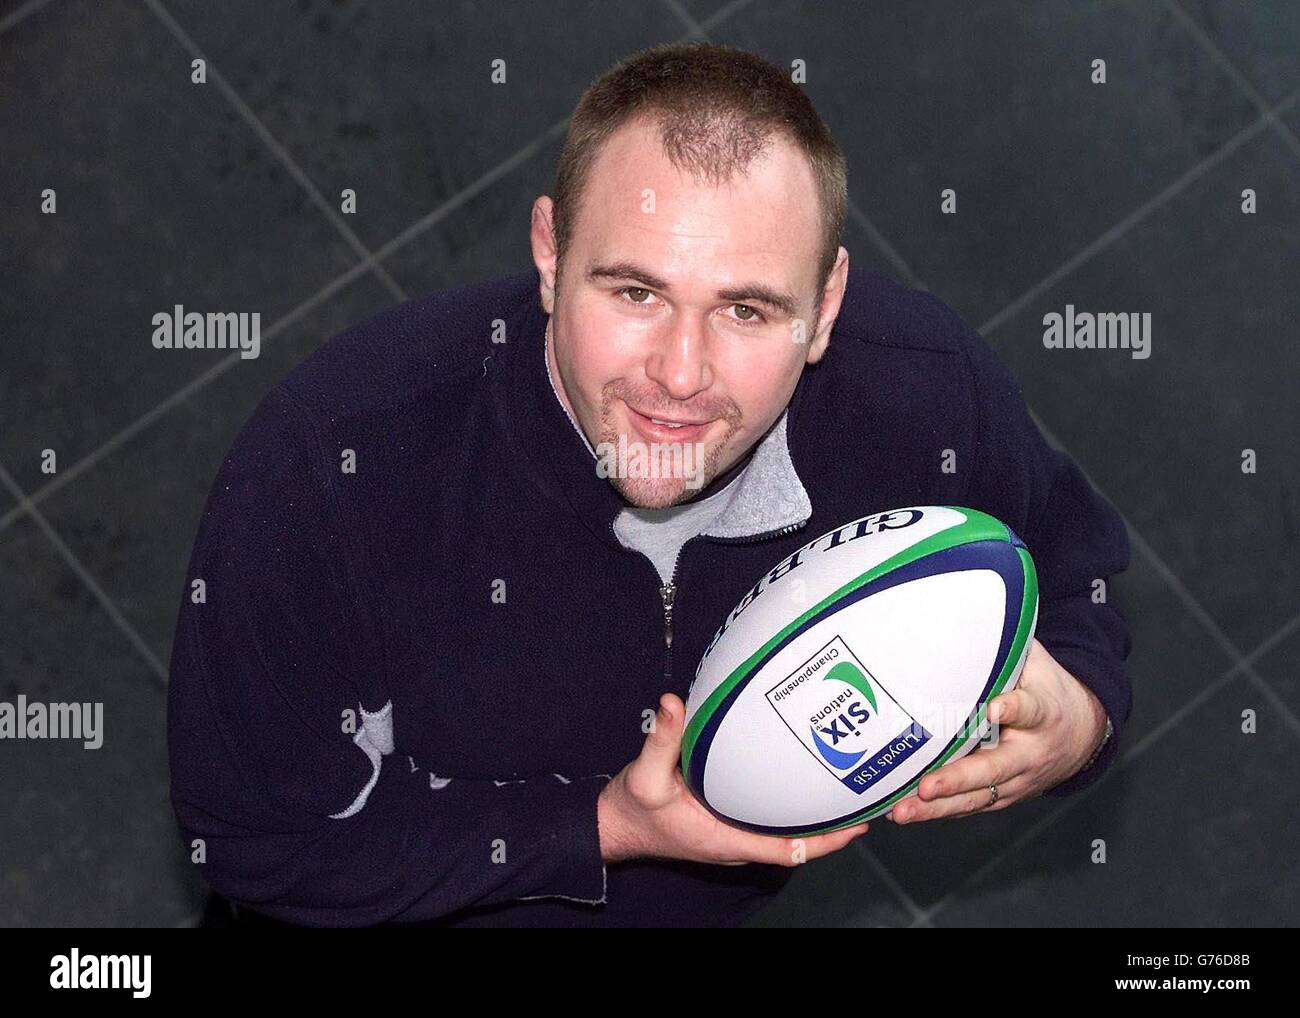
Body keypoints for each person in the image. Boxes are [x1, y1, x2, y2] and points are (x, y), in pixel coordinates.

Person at [167, 41, 1130, 928]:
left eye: (747, 311)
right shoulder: (332, 468)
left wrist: (1077, 723)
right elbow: (257, 841)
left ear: (827, 306)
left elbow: (1077, 580)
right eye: (635, 292)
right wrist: (606, 828)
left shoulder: (925, 396)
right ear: (549, 256)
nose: (679, 374)